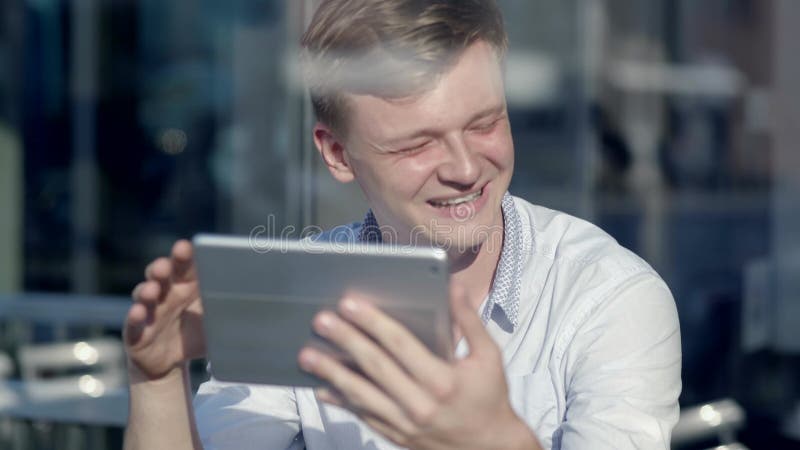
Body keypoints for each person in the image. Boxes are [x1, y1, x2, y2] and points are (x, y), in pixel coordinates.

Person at [123, 1, 681, 449]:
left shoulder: (607, 297)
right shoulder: (296, 295)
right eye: (417, 144)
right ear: (337, 153)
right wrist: (156, 380)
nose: (465, 169)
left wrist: (492, 440)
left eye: (485, 123)